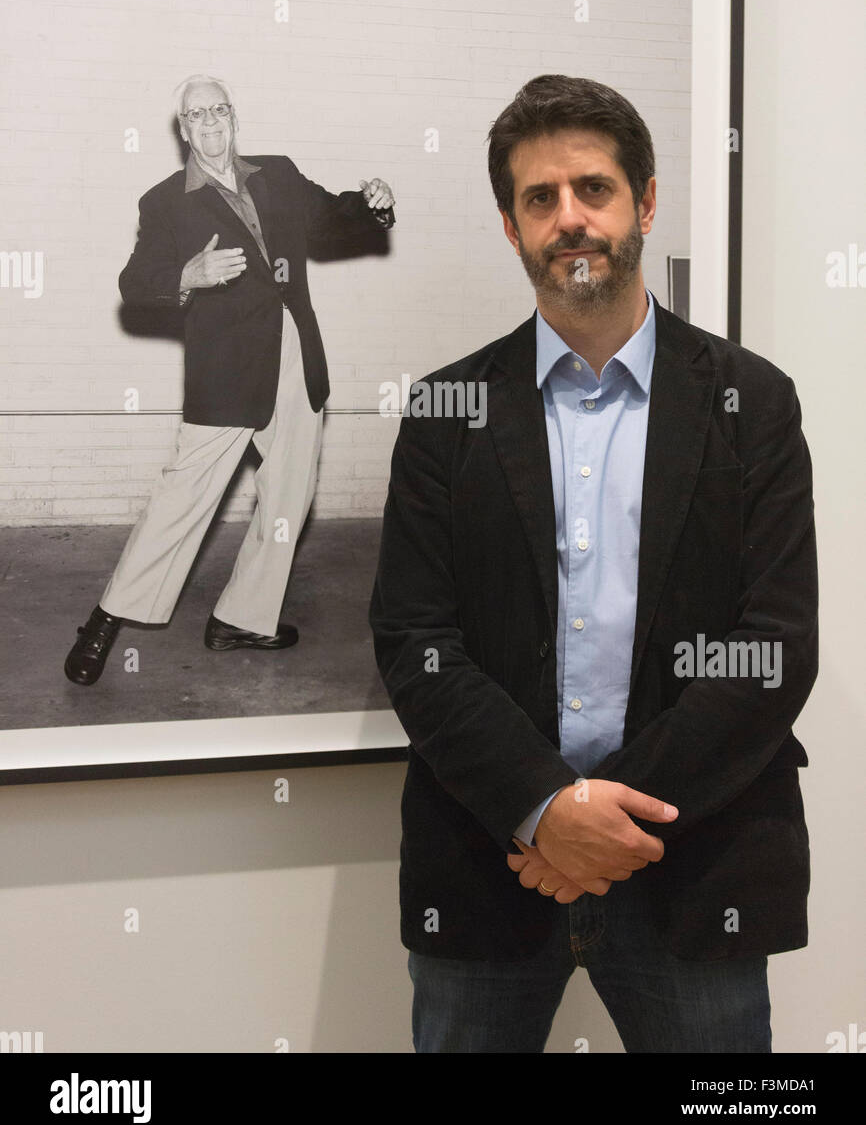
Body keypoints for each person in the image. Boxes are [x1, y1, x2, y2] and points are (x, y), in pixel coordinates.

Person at [368, 74, 818, 1053]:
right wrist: (542, 808)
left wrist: (594, 826)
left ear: (644, 202)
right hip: (486, 862)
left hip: (697, 863)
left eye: (593, 189)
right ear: (511, 226)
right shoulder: (445, 413)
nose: (568, 217)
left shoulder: (753, 403)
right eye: (540, 198)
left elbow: (774, 647)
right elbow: (414, 642)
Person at [65, 74, 395, 685]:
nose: (210, 122)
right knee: (181, 498)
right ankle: (104, 622)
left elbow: (330, 219)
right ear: (183, 130)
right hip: (226, 369)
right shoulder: (165, 202)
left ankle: (242, 618)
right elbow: (134, 284)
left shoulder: (278, 174)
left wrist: (371, 204)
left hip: (295, 354)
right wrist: (187, 275)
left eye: (219, 110)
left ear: (234, 118)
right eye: (197, 115)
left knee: (289, 493)